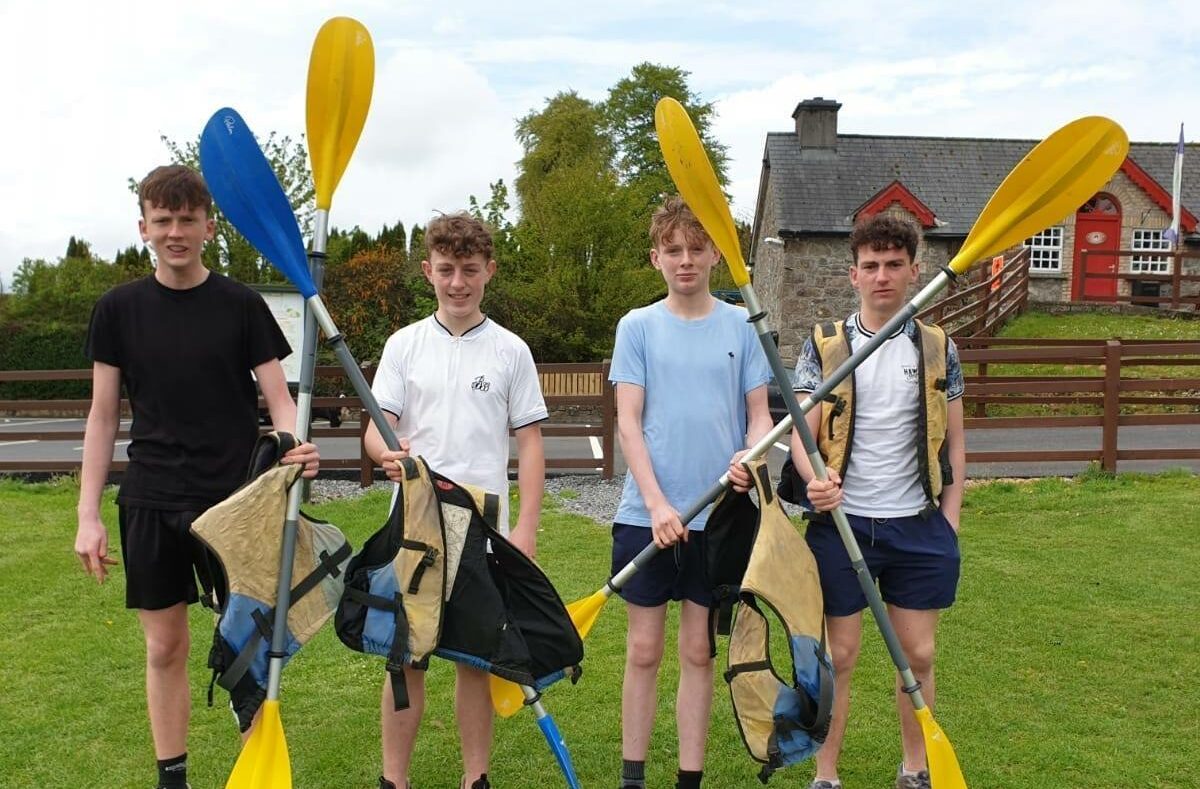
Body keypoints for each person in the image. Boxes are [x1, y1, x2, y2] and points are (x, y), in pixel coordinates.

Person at [74, 164, 319, 789]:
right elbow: (103, 417)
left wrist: (294, 444)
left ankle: (257, 774)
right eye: (163, 221)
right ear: (144, 228)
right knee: (165, 649)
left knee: (249, 648)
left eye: (187, 220)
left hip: (234, 501)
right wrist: (87, 515)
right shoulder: (117, 310)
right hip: (151, 499)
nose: (175, 232)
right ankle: (172, 777)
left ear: (208, 227)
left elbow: (280, 399)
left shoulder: (241, 306)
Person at [365, 211, 548, 789]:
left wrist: (527, 530)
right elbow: (378, 428)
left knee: (475, 659)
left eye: (470, 270)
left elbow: (531, 443)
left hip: (485, 527)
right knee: (407, 657)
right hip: (415, 524)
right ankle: (395, 779)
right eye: (446, 270)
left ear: (489, 270)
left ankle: (477, 778)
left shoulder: (511, 351)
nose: (458, 283)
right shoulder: (404, 345)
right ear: (428, 272)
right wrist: (385, 451)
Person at [786, 214, 965, 789]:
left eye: (893, 265)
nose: (882, 276)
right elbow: (801, 434)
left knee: (918, 654)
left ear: (915, 271)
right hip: (842, 525)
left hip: (916, 525)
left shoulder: (939, 347)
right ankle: (826, 773)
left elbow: (955, 443)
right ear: (853, 275)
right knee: (839, 655)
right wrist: (814, 479)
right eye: (871, 266)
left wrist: (951, 523)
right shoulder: (826, 345)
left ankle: (915, 769)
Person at [609, 196, 773, 789]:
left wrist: (748, 455)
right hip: (645, 515)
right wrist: (655, 504)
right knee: (645, 649)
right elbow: (629, 421)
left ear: (714, 257)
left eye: (697, 249)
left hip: (719, 519)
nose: (686, 260)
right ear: (656, 258)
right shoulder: (637, 326)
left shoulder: (741, 325)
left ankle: (689, 778)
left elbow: (759, 414)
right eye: (673, 250)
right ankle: (633, 777)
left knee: (699, 652)